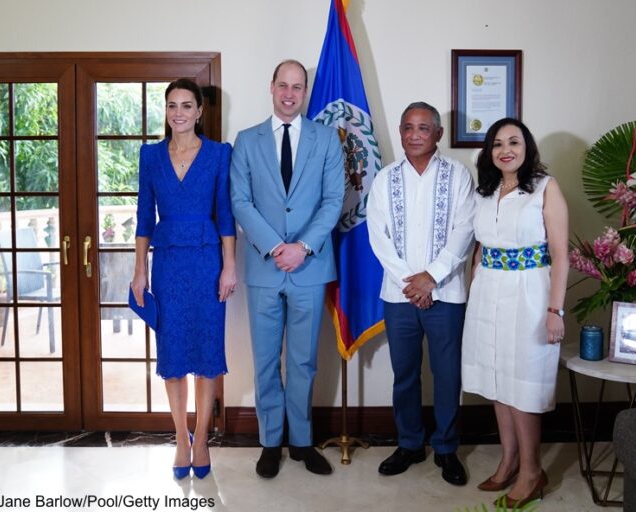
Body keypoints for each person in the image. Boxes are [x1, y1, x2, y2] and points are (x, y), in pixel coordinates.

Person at [230, 59, 344, 478]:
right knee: (264, 361)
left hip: (309, 268)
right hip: (264, 268)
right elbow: (240, 201)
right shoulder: (246, 141)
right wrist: (278, 246)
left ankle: (301, 442)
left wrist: (303, 247)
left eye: (298, 87)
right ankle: (269, 443)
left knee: (302, 362)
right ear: (271, 86)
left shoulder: (327, 139)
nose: (290, 94)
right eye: (284, 85)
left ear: (305, 90)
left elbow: (334, 200)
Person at [131, 78, 237, 480]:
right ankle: (180, 437)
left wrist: (230, 266)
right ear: (167, 111)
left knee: (208, 354)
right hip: (168, 266)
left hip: (208, 262)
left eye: (187, 105)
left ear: (199, 112)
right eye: (172, 105)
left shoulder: (217, 154)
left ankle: (202, 439)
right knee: (173, 355)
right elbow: (144, 218)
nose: (179, 113)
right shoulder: (150, 156)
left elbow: (225, 215)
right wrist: (140, 270)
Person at [461, 118, 569, 508]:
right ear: (489, 152)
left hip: (530, 292)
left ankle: (531, 472)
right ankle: (507, 461)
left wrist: (555, 310)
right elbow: (479, 244)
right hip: (489, 290)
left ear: (527, 147)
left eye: (514, 142)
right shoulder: (485, 192)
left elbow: (560, 254)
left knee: (522, 382)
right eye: (498, 144)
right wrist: (475, 279)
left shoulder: (545, 188)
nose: (506, 149)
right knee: (497, 378)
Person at [367, 102, 475, 486]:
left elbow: (465, 230)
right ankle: (410, 443)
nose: (414, 135)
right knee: (405, 374)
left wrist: (431, 278)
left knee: (446, 375)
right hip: (399, 297)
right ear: (400, 132)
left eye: (423, 128)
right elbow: (377, 237)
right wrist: (411, 284)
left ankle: (446, 448)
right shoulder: (385, 179)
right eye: (408, 127)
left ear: (439, 134)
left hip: (446, 294)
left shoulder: (459, 175)